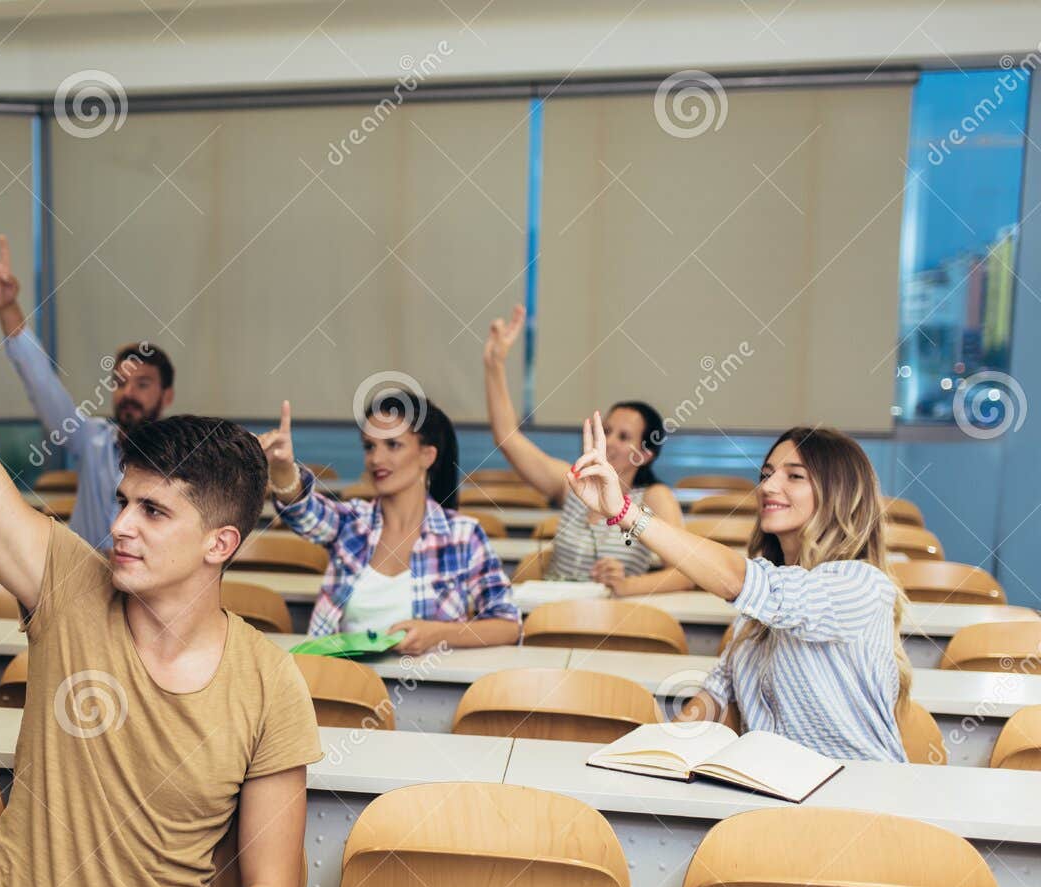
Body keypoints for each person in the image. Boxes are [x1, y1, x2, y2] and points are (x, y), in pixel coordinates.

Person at [0, 115, 320, 887]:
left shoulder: (268, 682)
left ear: (220, 544)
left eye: (154, 512)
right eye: (122, 501)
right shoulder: (70, 583)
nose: (119, 526)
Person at [566, 417, 910, 763]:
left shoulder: (863, 585)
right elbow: (713, 700)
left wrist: (624, 512)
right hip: (780, 795)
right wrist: (653, 757)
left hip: (859, 800)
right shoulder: (754, 620)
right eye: (766, 474)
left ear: (839, 494)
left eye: (794, 476)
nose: (767, 486)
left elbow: (739, 581)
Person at [260, 396, 521, 653]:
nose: (376, 459)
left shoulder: (464, 536)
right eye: (369, 446)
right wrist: (283, 469)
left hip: (425, 691)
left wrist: (439, 634)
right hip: (342, 685)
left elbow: (508, 626)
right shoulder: (351, 523)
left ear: (427, 456)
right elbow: (302, 510)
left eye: (393, 445)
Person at [0, 233, 174, 551]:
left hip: (145, 591)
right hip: (83, 585)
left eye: (143, 385)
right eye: (121, 382)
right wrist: (8, 307)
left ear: (167, 396)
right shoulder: (90, 439)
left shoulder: (180, 458)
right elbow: (41, 384)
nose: (128, 394)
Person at [481, 308, 691, 596]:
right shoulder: (574, 482)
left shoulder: (654, 497)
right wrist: (496, 365)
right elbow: (507, 438)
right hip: (551, 615)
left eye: (624, 436)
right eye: (606, 429)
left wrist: (627, 585)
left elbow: (686, 571)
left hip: (613, 621)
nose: (609, 440)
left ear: (644, 455)